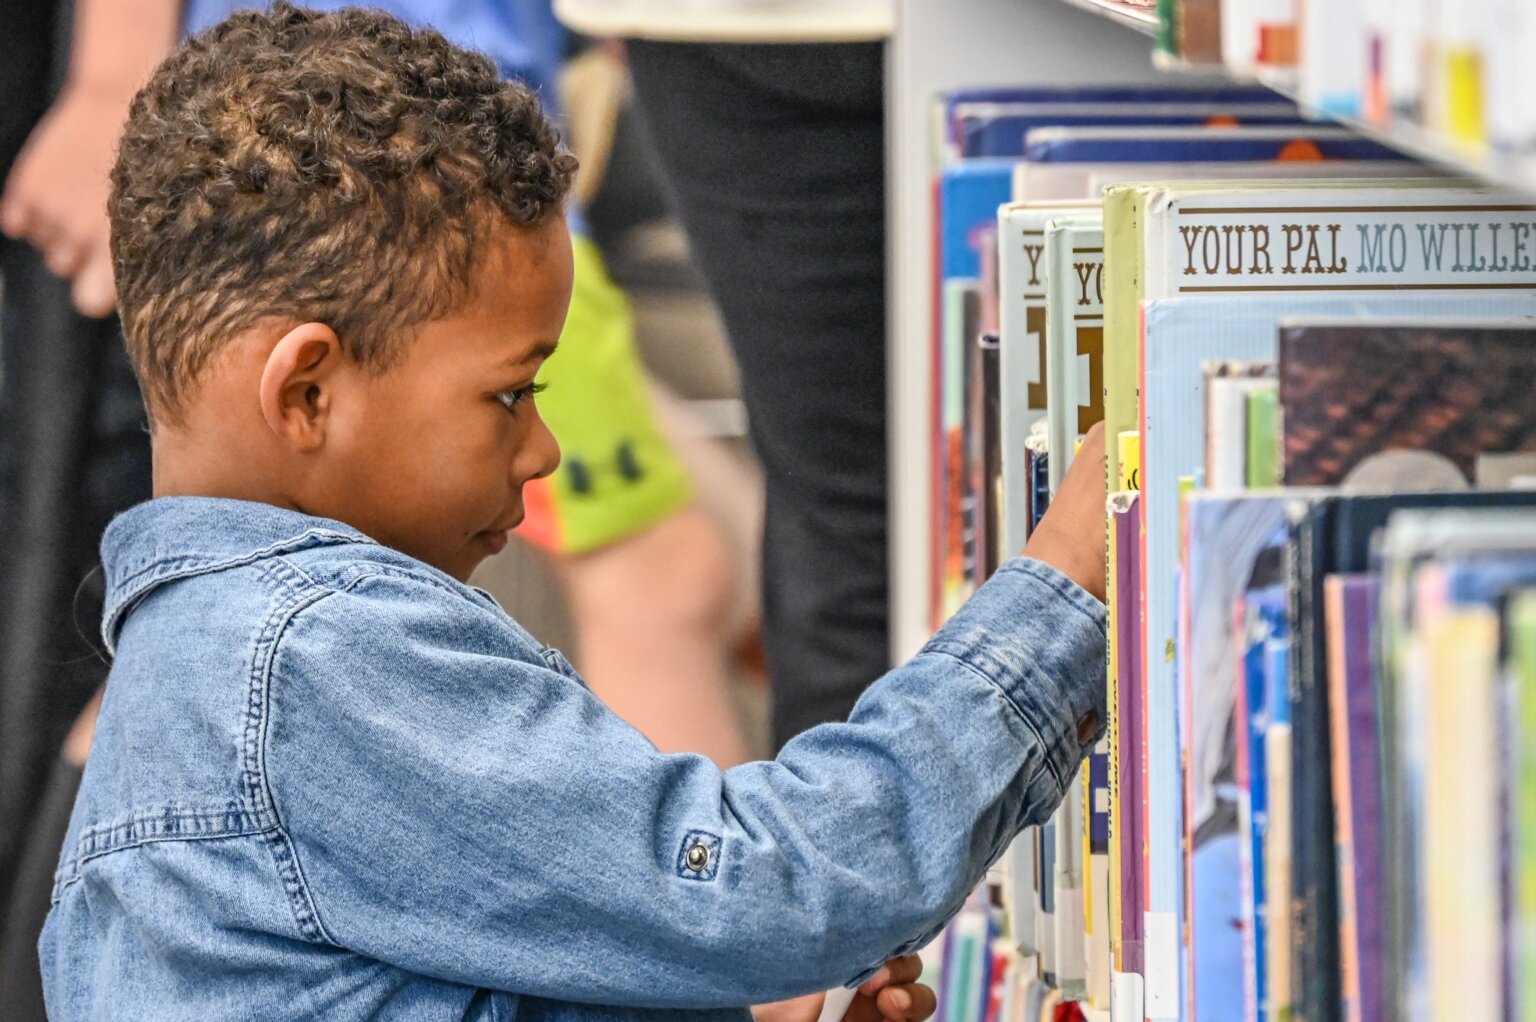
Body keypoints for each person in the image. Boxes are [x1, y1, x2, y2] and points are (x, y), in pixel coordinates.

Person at [38, 6, 1110, 1018]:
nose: (543, 447)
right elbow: (761, 885)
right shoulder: (314, 658)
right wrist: (1064, 589)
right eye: (510, 394)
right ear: (307, 391)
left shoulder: (200, 672)